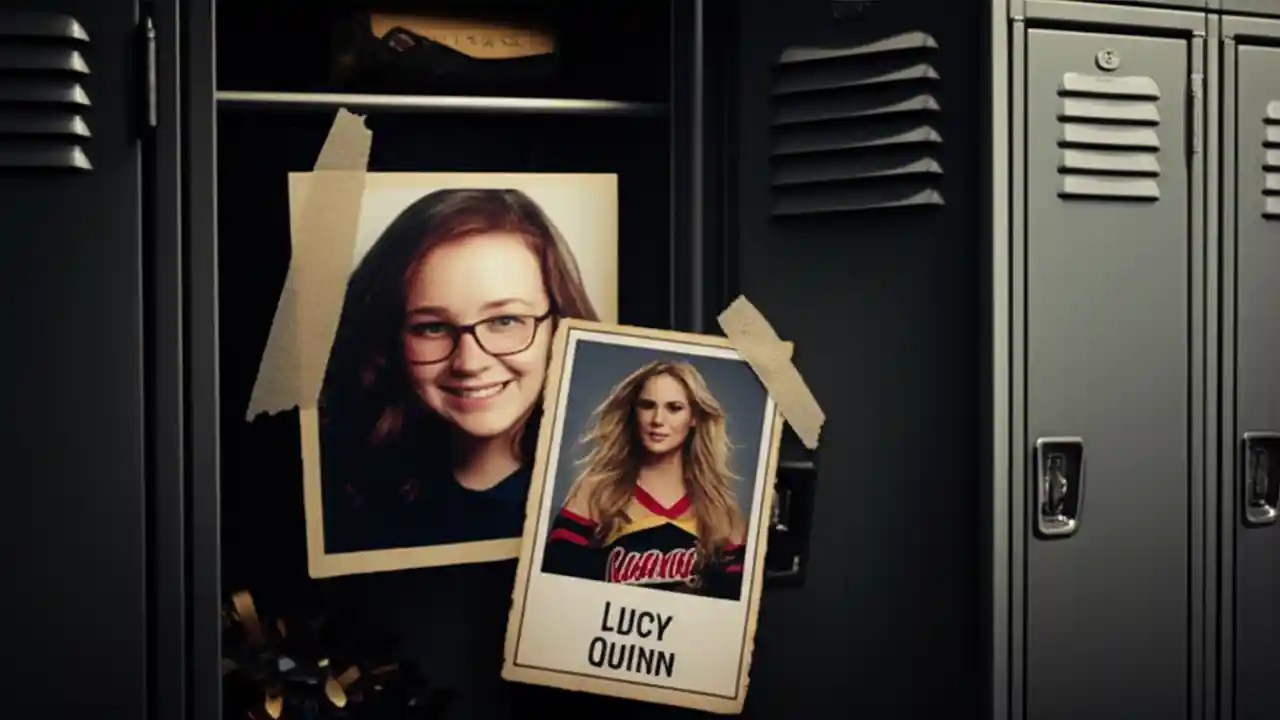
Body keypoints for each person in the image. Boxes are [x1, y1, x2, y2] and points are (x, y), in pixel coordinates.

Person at [317, 188, 599, 554]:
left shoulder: (608, 504)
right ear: (392, 340)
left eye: (504, 320)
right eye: (431, 327)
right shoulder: (345, 489)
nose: (469, 363)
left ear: (558, 325)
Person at [542, 359, 748, 600]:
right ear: (634, 412)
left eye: (674, 408)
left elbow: (735, 609)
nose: (657, 419)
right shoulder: (596, 491)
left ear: (694, 418)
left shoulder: (721, 509)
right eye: (647, 405)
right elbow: (555, 587)